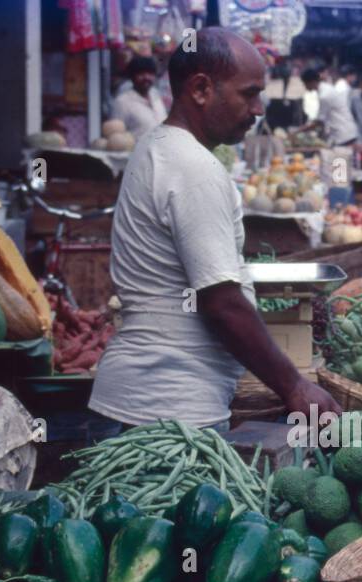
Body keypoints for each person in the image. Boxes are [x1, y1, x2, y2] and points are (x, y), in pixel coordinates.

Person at [90, 28, 339, 431]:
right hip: (167, 417)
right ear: (202, 89)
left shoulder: (158, 145)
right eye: (249, 93)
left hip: (145, 404)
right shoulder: (193, 167)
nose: (258, 109)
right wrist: (294, 387)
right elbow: (222, 302)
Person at [110, 56, 167, 137]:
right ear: (132, 76)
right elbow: (115, 136)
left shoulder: (156, 95)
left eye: (150, 73)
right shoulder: (122, 102)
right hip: (135, 149)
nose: (146, 77)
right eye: (141, 73)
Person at [300, 68, 358, 147]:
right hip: (343, 132)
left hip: (343, 134)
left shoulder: (324, 95)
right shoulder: (325, 89)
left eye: (305, 84)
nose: (305, 86)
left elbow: (319, 121)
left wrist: (299, 130)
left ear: (312, 82)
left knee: (341, 158)